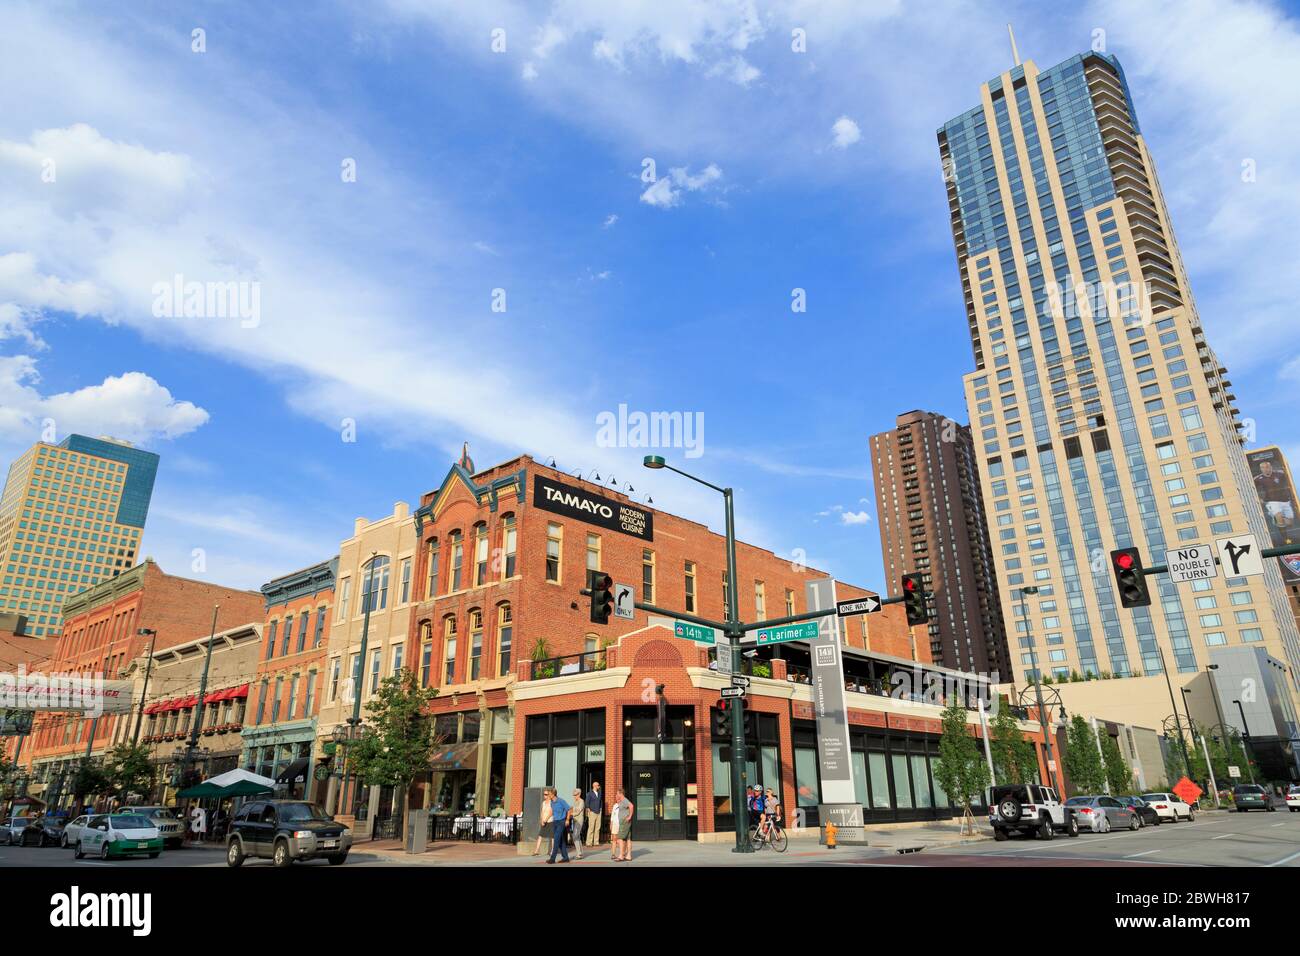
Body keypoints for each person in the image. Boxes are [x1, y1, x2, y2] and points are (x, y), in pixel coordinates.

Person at [546, 788, 571, 864]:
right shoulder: (552, 803)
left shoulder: (561, 801)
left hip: (561, 822)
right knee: (561, 841)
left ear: (553, 794)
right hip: (555, 822)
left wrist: (567, 819)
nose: (548, 796)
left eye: (549, 794)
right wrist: (546, 819)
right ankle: (566, 857)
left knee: (556, 839)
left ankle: (552, 858)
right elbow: (552, 812)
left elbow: (569, 809)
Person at [613, 787, 633, 861]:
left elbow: (631, 806)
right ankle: (628, 856)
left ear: (620, 794)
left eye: (617, 793)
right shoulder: (622, 801)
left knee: (620, 838)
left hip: (624, 822)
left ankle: (621, 855)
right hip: (625, 821)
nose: (616, 795)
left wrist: (630, 816)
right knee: (628, 839)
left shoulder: (624, 800)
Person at [531, 789, 553, 856]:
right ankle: (536, 851)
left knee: (552, 837)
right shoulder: (543, 803)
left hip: (550, 821)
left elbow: (551, 812)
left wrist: (546, 819)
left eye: (546, 794)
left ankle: (552, 851)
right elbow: (542, 812)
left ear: (549, 795)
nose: (544, 796)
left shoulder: (551, 802)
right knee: (540, 835)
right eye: (544, 794)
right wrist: (541, 820)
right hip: (543, 821)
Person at [584, 780, 603, 847]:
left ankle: (596, 842)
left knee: (597, 827)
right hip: (592, 812)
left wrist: (601, 808)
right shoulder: (589, 793)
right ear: (594, 786)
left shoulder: (599, 793)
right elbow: (586, 802)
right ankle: (589, 842)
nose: (599, 786)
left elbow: (600, 801)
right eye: (598, 785)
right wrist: (588, 809)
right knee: (591, 827)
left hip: (598, 812)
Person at [568, 789, 585, 860]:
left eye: (575, 795)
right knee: (577, 836)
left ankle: (579, 853)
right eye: (573, 795)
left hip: (579, 821)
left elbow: (578, 811)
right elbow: (572, 809)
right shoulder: (575, 801)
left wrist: (571, 814)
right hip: (575, 820)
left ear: (579, 794)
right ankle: (580, 853)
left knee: (575, 836)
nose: (574, 796)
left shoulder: (581, 801)